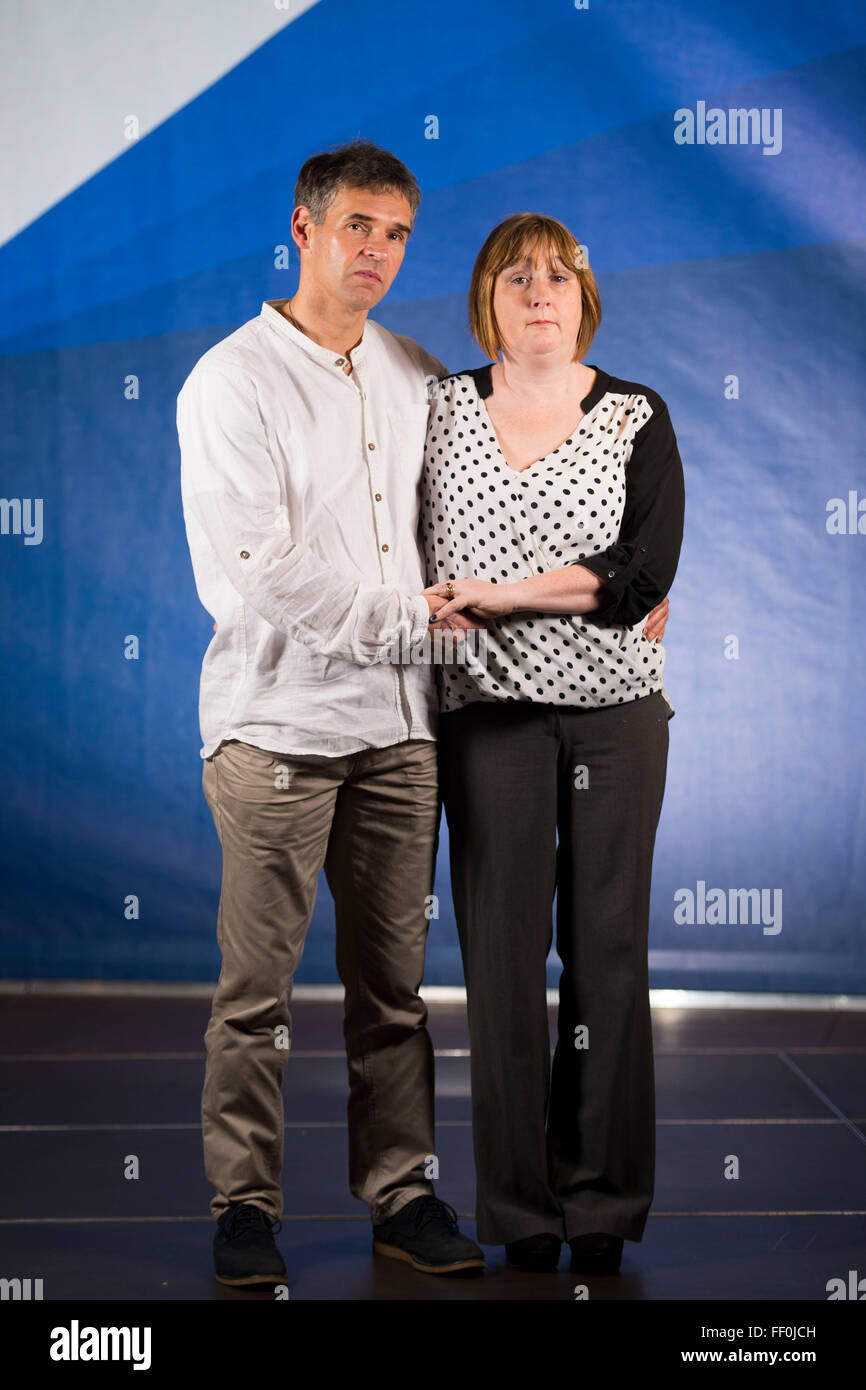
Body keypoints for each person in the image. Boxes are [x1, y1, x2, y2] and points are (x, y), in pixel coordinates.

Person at [177, 140, 490, 1285]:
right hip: (274, 730)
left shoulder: (418, 373)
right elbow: (260, 572)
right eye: (358, 224)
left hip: (398, 735)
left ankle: (400, 1193)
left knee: (393, 992)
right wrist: (414, 621)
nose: (378, 251)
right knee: (254, 994)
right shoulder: (230, 380)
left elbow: (474, 523)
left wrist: (614, 582)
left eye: (396, 233)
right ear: (302, 227)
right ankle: (243, 1207)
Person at [421, 212, 685, 1275]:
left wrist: (499, 594)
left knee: (608, 952)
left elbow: (641, 576)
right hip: (488, 716)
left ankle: (601, 1202)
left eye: (559, 277)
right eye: (517, 277)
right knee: (499, 957)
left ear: (585, 300)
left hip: (616, 719)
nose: (540, 293)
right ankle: (520, 1210)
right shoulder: (436, 408)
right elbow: (390, 541)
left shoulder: (635, 414)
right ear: (486, 299)